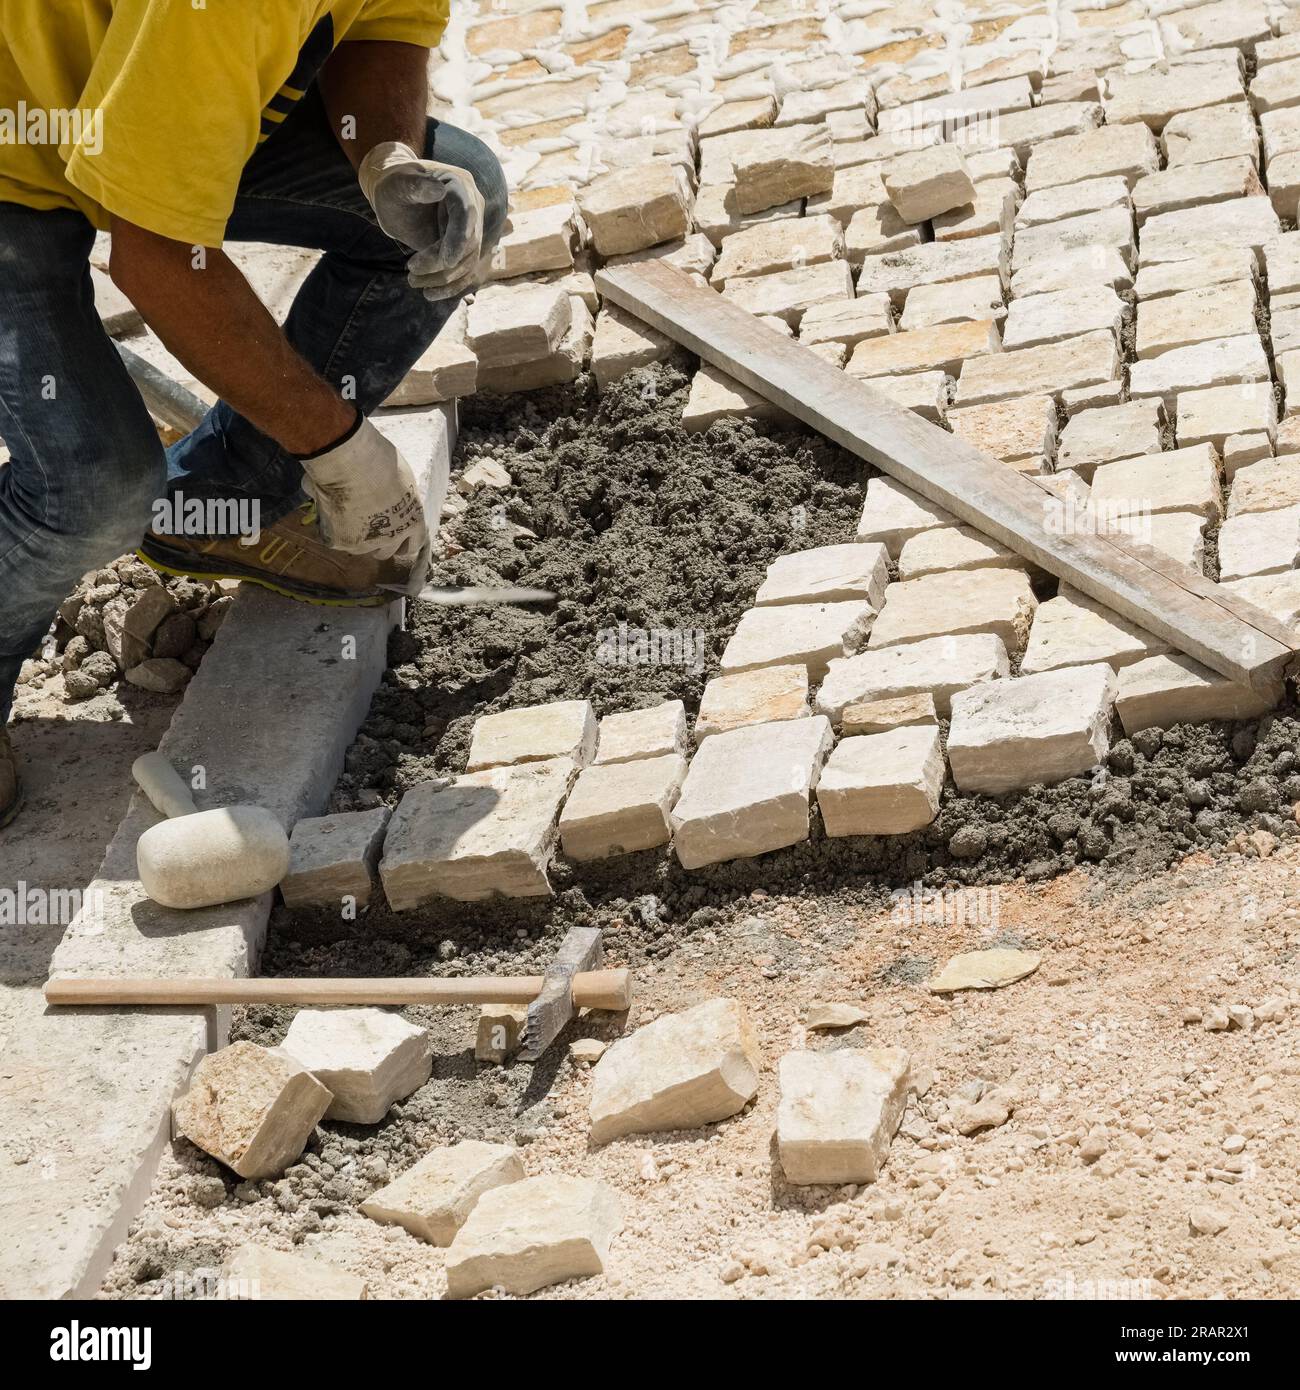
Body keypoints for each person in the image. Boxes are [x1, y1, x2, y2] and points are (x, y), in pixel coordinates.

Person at [0, 1, 508, 829]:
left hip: (103, 110)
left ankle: (219, 502)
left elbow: (385, 27)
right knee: (90, 491)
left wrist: (385, 158)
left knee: (461, 194)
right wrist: (338, 447)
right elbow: (158, 259)